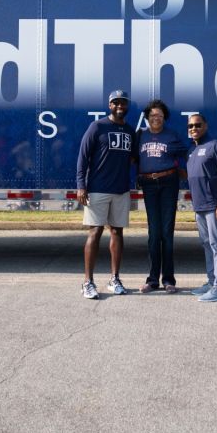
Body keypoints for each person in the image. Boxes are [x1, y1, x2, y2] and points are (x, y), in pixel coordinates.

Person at [76, 90, 135, 299]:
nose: (120, 106)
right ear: (110, 105)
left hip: (120, 190)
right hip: (98, 189)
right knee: (95, 232)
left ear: (127, 106)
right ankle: (87, 282)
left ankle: (114, 279)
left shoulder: (129, 130)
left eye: (123, 103)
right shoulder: (97, 127)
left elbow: (134, 158)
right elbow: (83, 157)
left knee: (117, 233)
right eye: (116, 103)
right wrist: (81, 186)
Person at [136, 99, 187, 294]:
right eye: (152, 115)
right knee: (153, 233)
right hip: (149, 185)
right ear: (147, 118)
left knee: (167, 233)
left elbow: (186, 153)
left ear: (164, 117)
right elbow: (132, 158)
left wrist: (184, 171)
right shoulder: (140, 136)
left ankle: (168, 279)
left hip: (168, 183)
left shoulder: (172, 135)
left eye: (159, 115)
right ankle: (152, 279)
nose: (155, 118)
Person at [185, 113, 217, 302]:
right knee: (206, 244)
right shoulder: (192, 151)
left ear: (205, 125)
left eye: (197, 125)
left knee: (216, 245)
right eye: (190, 126)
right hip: (200, 206)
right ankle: (212, 281)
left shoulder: (215, 145)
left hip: (214, 206)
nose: (193, 129)